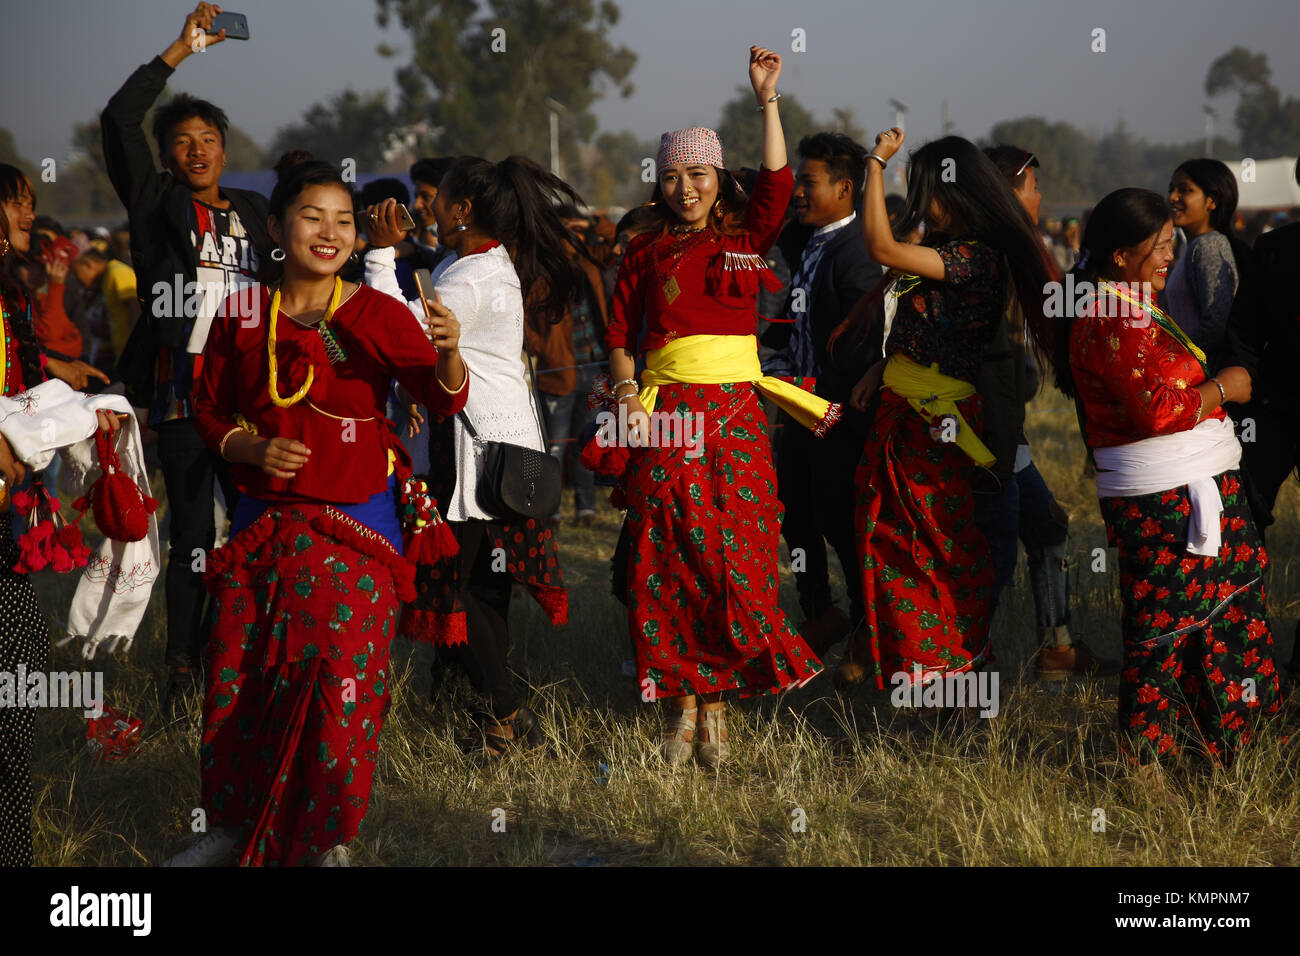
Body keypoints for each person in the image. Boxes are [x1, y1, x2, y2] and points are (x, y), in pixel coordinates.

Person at [178, 155, 468, 867]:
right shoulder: (242, 311)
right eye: (313, 217)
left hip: (357, 530)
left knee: (341, 687)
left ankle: (327, 838)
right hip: (261, 530)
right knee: (240, 680)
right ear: (277, 227)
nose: (331, 231)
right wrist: (248, 447)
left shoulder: (379, 313)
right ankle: (228, 830)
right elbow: (208, 408)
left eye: (344, 220)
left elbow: (443, 399)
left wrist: (452, 353)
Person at [603, 47, 835, 768]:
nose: (683, 189)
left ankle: (718, 712)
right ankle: (680, 710)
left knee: (736, 562)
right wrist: (624, 399)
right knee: (666, 558)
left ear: (717, 179)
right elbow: (617, 338)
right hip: (665, 415)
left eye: (696, 175)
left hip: (735, 417)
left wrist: (767, 100)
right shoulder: (641, 253)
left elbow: (777, 183)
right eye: (670, 177)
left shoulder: (742, 242)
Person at [1059, 187, 1280, 767]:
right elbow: (1154, 412)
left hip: (1194, 485)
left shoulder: (1134, 304)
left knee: (1225, 620)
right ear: (1118, 255)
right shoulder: (1109, 315)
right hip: (1162, 502)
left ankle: (1226, 746)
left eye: (1170, 243)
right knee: (1164, 629)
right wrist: (1223, 389)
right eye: (1157, 246)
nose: (1168, 256)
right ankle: (1145, 761)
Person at [368, 155, 580, 754]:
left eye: (438, 199)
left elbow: (395, 333)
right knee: (482, 589)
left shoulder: (473, 278)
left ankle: (507, 713)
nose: (426, 206)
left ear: (463, 211)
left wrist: (381, 253)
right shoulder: (475, 264)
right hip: (494, 447)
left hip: (479, 455)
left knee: (459, 587)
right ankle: (492, 714)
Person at [101, 3, 271, 713]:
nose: (196, 150)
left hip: (252, 397)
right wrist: (179, 51)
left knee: (264, 530)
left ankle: (253, 660)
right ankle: (183, 672)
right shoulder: (156, 207)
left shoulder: (255, 216)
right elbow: (117, 120)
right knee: (195, 536)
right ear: (168, 156)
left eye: (208, 139)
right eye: (182, 141)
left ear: (225, 149)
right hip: (182, 394)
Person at [841, 132, 1055, 693]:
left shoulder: (974, 259)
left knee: (933, 555)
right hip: (908, 417)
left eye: (925, 190)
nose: (919, 202)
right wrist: (880, 370)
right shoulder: (942, 253)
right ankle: (928, 679)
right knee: (904, 550)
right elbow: (917, 325)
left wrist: (873, 165)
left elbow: (882, 249)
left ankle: (952, 681)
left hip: (941, 430)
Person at [0, 198, 123, 866]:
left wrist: (62, 390)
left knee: (17, 683)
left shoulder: (12, 294)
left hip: (8, 514)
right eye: (15, 203)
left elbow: (23, 377)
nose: (29, 215)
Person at [976, 145, 1118, 679]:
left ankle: (1057, 648)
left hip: (1004, 430)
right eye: (1033, 187)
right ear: (1010, 192)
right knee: (992, 561)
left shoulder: (1010, 250)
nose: (1040, 198)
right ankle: (959, 675)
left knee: (1049, 527)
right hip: (987, 434)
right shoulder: (996, 254)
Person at [761, 132, 883, 658]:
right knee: (794, 514)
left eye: (809, 184)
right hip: (799, 414)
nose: (800, 194)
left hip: (836, 417)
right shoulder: (804, 239)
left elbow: (861, 349)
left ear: (845, 188)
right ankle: (820, 613)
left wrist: (813, 394)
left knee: (842, 521)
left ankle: (864, 625)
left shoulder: (857, 254)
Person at [1223, 152, 1300, 685]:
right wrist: (1237, 404)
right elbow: (1244, 336)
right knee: (1245, 520)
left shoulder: (1273, 246)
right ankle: (1242, 645)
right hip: (1271, 411)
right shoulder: (1274, 249)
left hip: (1269, 408)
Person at [1165, 159, 1243, 366]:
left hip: (1202, 375)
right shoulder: (1188, 246)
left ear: (1212, 201)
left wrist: (1178, 361)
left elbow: (1216, 322)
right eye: (1171, 189)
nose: (1173, 197)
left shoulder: (1209, 245)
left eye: (1185, 190)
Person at [72, 248, 139, 369]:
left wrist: (136, 346)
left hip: (131, 354)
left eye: (77, 275)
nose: (79, 282)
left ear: (88, 265)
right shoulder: (108, 276)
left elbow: (135, 306)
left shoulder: (117, 272)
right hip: (122, 354)